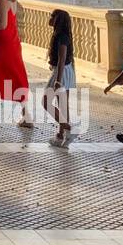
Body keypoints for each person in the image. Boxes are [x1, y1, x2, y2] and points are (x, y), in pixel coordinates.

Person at [45, 9, 76, 149]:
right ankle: (61, 136)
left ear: (58, 19)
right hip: (67, 70)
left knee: (46, 102)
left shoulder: (61, 36)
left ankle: (68, 128)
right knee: (63, 105)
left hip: (61, 72)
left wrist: (58, 80)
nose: (50, 18)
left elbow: (62, 58)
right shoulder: (63, 35)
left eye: (52, 16)